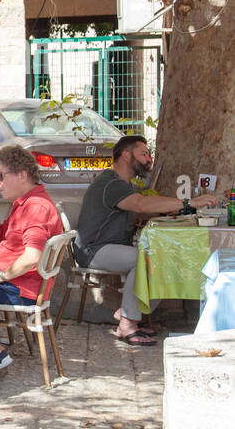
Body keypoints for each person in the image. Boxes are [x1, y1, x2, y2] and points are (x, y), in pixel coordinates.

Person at [74, 134, 222, 345]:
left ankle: (126, 312)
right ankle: (127, 323)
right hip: (94, 250)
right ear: (126, 156)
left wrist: (171, 212)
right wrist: (189, 203)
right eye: (143, 154)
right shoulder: (111, 183)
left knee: (162, 257)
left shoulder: (123, 185)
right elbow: (141, 205)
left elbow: (140, 208)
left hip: (108, 247)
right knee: (148, 259)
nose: (149, 159)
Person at [0, 146, 66, 378]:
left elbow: (32, 257)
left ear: (22, 176)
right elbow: (0, 240)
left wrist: (0, 275)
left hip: (20, 289)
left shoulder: (35, 208)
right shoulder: (25, 202)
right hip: (18, 283)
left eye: (0, 176)